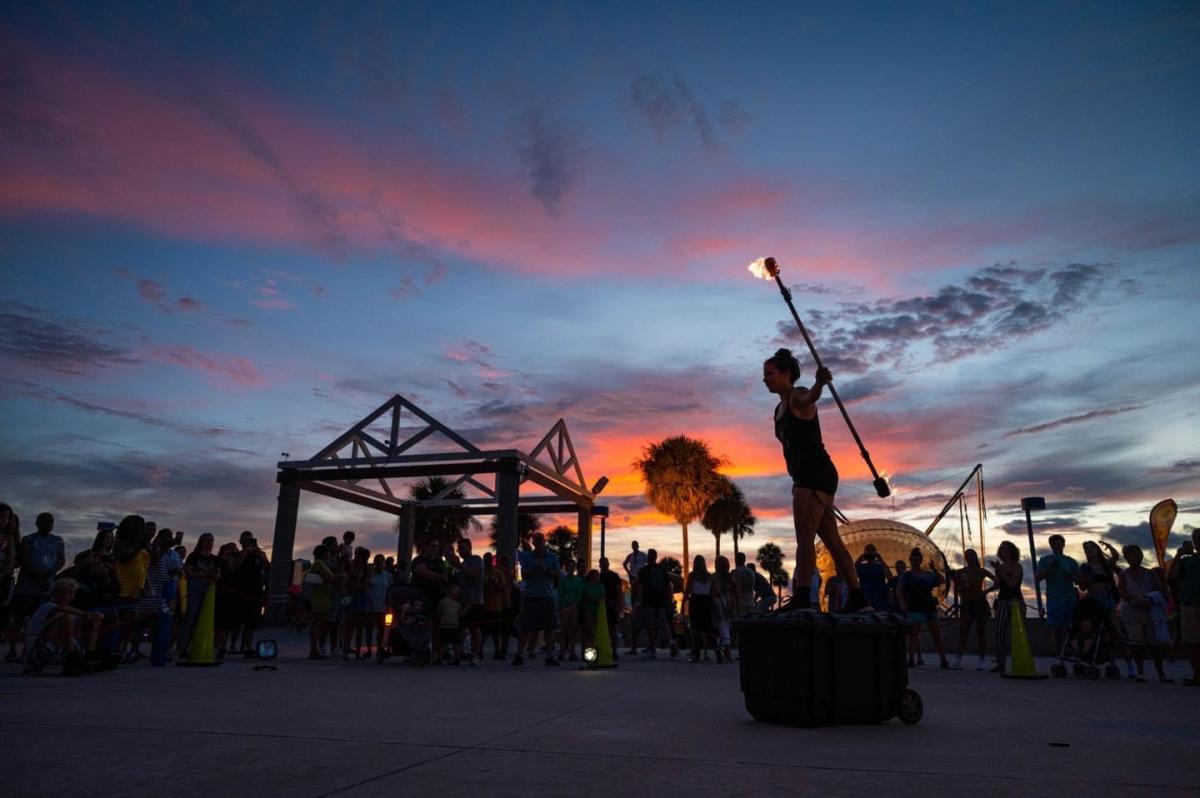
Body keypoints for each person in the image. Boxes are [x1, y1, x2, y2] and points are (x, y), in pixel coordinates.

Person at [762, 348, 868, 611]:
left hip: (815, 474)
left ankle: (802, 596)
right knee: (831, 540)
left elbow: (811, 397)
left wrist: (819, 382)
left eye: (770, 374)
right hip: (806, 475)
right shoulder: (778, 410)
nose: (765, 379)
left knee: (804, 538)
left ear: (786, 374)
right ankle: (858, 598)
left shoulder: (798, 397)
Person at [5, 511, 65, 663]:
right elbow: (24, 560)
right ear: (37, 523)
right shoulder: (28, 539)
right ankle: (12, 650)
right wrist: (38, 575)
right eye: (44, 521)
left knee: (42, 620)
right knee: (18, 619)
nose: (48, 524)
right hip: (26, 587)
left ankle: (33, 650)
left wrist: (51, 573)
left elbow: (61, 560)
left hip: (46, 587)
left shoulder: (58, 540)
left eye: (51, 521)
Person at [21, 579, 104, 675]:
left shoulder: (69, 610)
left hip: (56, 649)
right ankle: (72, 658)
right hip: (37, 652)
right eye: (62, 593)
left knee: (93, 621)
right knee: (68, 619)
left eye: (70, 593)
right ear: (54, 594)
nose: (66, 596)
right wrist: (86, 615)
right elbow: (63, 609)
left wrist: (96, 616)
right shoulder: (47, 606)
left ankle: (90, 655)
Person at [1080, 539, 1134, 678]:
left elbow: (1115, 557)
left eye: (1091, 547)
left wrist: (1109, 547)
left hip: (1107, 600)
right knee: (1096, 631)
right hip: (1093, 602)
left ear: (1096, 550)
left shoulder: (1105, 565)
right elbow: (1083, 587)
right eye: (1086, 548)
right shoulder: (1085, 567)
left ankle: (1129, 666)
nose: (1089, 550)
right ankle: (1098, 660)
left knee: (1115, 630)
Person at [1118, 544, 1170, 683]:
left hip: (1150, 611)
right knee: (1136, 643)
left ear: (1141, 555)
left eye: (1136, 554)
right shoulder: (1124, 574)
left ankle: (1161, 673)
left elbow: (1160, 591)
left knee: (1156, 644)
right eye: (1130, 555)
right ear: (1126, 557)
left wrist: (1150, 601)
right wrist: (1134, 601)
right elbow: (1122, 591)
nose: (1134, 557)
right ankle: (1140, 672)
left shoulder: (1150, 573)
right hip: (1132, 612)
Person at [513, 532, 560, 666]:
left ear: (544, 541)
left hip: (547, 596)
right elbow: (524, 575)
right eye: (536, 540)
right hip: (531, 596)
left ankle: (550, 655)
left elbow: (557, 574)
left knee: (550, 628)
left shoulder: (552, 557)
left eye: (541, 540)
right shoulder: (528, 557)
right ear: (533, 542)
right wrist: (535, 569)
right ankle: (520, 654)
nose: (539, 542)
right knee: (525, 627)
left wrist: (545, 570)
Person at [898, 548, 949, 668]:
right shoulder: (907, 575)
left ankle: (943, 659)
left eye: (916, 559)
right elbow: (899, 590)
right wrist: (902, 604)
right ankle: (911, 659)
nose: (914, 561)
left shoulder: (928, 574)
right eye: (912, 559)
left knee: (936, 633)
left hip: (929, 606)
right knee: (914, 633)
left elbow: (942, 581)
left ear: (920, 560)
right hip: (915, 606)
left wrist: (934, 570)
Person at [1036, 534, 1080, 654]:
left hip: (1070, 598)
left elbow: (1080, 580)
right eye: (1054, 543)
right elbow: (1037, 578)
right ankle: (1059, 656)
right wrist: (1049, 569)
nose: (1056, 545)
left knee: (1071, 629)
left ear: (1063, 544)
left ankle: (1072, 653)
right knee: (1057, 630)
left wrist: (1071, 575)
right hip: (1054, 598)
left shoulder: (1071, 561)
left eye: (1059, 543)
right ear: (1051, 545)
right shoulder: (1045, 560)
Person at [178, 533, 219, 658]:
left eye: (211, 541)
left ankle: (194, 646)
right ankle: (182, 648)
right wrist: (205, 576)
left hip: (208, 590)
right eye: (206, 541)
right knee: (189, 618)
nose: (209, 543)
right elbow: (188, 572)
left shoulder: (214, 559)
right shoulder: (194, 556)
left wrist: (214, 577)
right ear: (201, 542)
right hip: (194, 588)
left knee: (201, 619)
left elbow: (218, 573)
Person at [951, 549, 993, 670]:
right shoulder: (960, 572)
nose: (969, 557)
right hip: (966, 604)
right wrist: (960, 593)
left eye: (971, 555)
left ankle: (982, 660)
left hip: (979, 603)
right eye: (967, 555)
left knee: (980, 632)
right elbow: (956, 588)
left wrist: (986, 591)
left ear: (975, 557)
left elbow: (997, 582)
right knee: (963, 632)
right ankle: (958, 660)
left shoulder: (981, 571)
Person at [989, 541, 1024, 674]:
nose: (1004, 551)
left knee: (1018, 633)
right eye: (1002, 549)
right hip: (1003, 601)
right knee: (1000, 633)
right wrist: (996, 572)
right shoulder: (1001, 567)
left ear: (1012, 551)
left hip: (1015, 601)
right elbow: (998, 586)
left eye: (1007, 549)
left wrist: (1000, 571)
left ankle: (1020, 661)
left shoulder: (1017, 566)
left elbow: (1012, 583)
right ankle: (1001, 663)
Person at [635, 548, 676, 658]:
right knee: (663, 623)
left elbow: (640, 586)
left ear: (648, 557)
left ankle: (652, 649)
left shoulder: (643, 570)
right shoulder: (662, 570)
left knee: (650, 626)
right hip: (661, 601)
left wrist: (639, 600)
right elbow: (668, 587)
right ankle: (671, 642)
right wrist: (669, 600)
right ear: (656, 556)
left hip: (648, 601)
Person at [303, 545, 337, 659]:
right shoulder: (319, 564)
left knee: (318, 624)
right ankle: (313, 651)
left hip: (322, 597)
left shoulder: (320, 564)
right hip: (318, 598)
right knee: (317, 624)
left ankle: (314, 650)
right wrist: (338, 577)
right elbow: (329, 577)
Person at [454, 537, 485, 663]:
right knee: (460, 628)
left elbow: (475, 574)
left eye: (463, 548)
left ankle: (476, 654)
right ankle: (460, 653)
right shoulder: (459, 564)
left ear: (470, 548)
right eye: (459, 549)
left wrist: (459, 566)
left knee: (475, 628)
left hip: (475, 600)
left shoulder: (476, 560)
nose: (460, 551)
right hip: (461, 601)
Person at [683, 555, 719, 662]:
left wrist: (683, 605)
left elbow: (687, 591)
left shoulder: (693, 575)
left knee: (696, 629)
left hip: (696, 602)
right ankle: (717, 652)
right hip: (707, 602)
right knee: (708, 628)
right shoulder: (709, 576)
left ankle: (696, 655)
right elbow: (716, 591)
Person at [1176, 529, 1200, 686]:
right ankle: (1197, 675)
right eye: (1195, 538)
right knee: (1191, 642)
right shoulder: (1187, 560)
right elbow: (1172, 576)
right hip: (1189, 603)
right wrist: (1179, 555)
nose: (1197, 540)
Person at [344, 546, 372, 658]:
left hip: (361, 598)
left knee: (359, 626)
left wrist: (353, 584)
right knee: (349, 625)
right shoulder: (353, 568)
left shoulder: (368, 569)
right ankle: (346, 651)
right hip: (353, 597)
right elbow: (348, 583)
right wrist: (357, 585)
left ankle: (357, 652)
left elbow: (365, 585)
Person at [556, 558, 583, 661]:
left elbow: (579, 593)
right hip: (564, 607)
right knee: (563, 630)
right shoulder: (563, 581)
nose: (571, 568)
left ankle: (572, 652)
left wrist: (574, 604)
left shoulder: (578, 581)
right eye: (569, 567)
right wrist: (560, 607)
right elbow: (559, 594)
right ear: (566, 568)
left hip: (574, 607)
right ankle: (562, 652)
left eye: (573, 566)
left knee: (573, 630)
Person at [367, 554, 393, 659]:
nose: (378, 564)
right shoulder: (370, 575)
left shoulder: (388, 575)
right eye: (376, 562)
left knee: (382, 629)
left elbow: (391, 590)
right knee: (369, 628)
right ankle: (368, 650)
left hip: (383, 605)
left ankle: (380, 649)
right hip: (370, 605)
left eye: (381, 562)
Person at [0, 505, 19, 645]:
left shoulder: (8, 537)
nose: (4, 520)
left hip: (2, 578)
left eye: (7, 517)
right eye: (1, 516)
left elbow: (10, 561)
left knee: (3, 611)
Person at [598, 557, 623, 660]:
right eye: (601, 563)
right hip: (601, 607)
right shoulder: (597, 577)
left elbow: (619, 591)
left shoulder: (614, 576)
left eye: (605, 563)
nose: (603, 565)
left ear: (608, 564)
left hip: (612, 606)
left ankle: (614, 651)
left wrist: (619, 605)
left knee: (613, 630)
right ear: (599, 565)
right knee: (601, 630)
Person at [855, 544, 892, 612]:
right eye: (868, 550)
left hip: (880, 597)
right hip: (866, 597)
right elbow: (853, 575)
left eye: (872, 550)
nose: (870, 552)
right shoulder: (861, 566)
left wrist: (881, 561)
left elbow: (890, 577)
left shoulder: (880, 566)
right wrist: (859, 560)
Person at [435, 584, 464, 664]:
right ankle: (439, 658)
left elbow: (460, 614)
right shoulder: (443, 601)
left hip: (454, 626)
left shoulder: (458, 604)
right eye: (455, 591)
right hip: (444, 626)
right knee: (442, 643)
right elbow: (438, 611)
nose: (457, 593)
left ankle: (457, 657)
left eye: (458, 591)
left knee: (456, 643)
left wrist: (466, 610)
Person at [579, 569, 606, 654]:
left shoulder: (600, 585)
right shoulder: (585, 586)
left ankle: (596, 651)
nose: (597, 577)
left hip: (598, 610)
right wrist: (590, 599)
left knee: (597, 632)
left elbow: (602, 597)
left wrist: (594, 599)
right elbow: (583, 598)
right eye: (596, 575)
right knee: (589, 632)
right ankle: (587, 652)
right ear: (591, 576)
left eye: (598, 576)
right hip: (588, 610)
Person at [731, 552, 756, 618]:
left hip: (739, 604)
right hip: (750, 602)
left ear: (736, 560)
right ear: (744, 560)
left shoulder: (734, 572)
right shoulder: (751, 572)